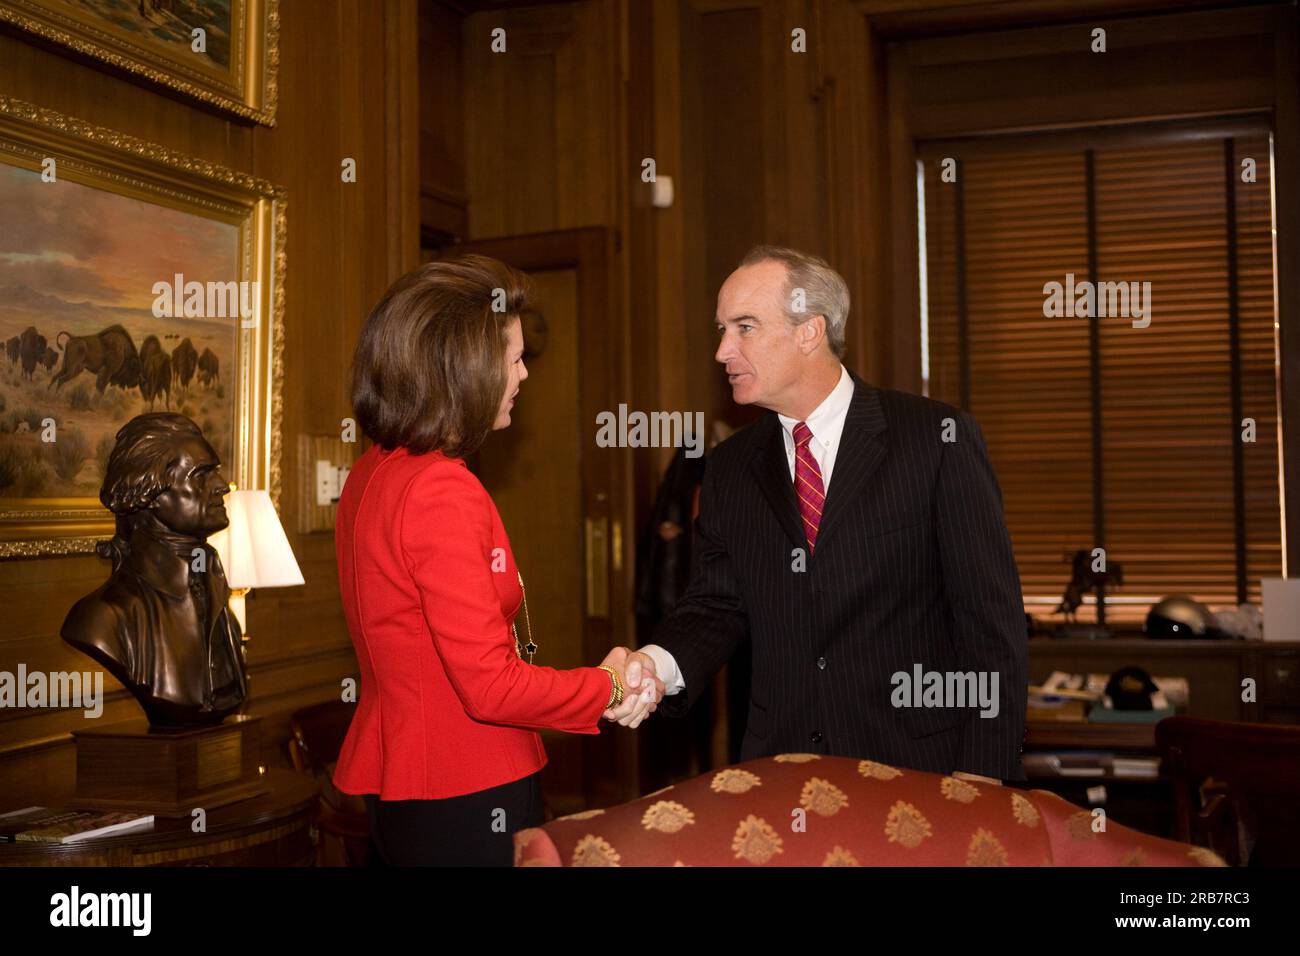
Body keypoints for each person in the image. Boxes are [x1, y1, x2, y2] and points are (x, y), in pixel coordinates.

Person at [625, 245, 1028, 783]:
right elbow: (714, 607)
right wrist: (654, 665)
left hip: (921, 772)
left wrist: (982, 773)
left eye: (744, 327)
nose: (722, 351)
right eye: (721, 330)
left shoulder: (935, 440)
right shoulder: (729, 468)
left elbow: (991, 625)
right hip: (780, 773)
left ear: (809, 331)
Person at [333, 255, 662, 866]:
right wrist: (610, 684)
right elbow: (490, 688)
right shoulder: (441, 488)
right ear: (465, 369)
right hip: (467, 784)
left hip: (404, 780)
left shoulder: (372, 471)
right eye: (513, 360)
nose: (522, 375)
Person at [61, 413, 246, 727]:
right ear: (149, 493)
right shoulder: (102, 620)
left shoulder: (217, 597)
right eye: (201, 475)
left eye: (215, 472)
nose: (221, 487)